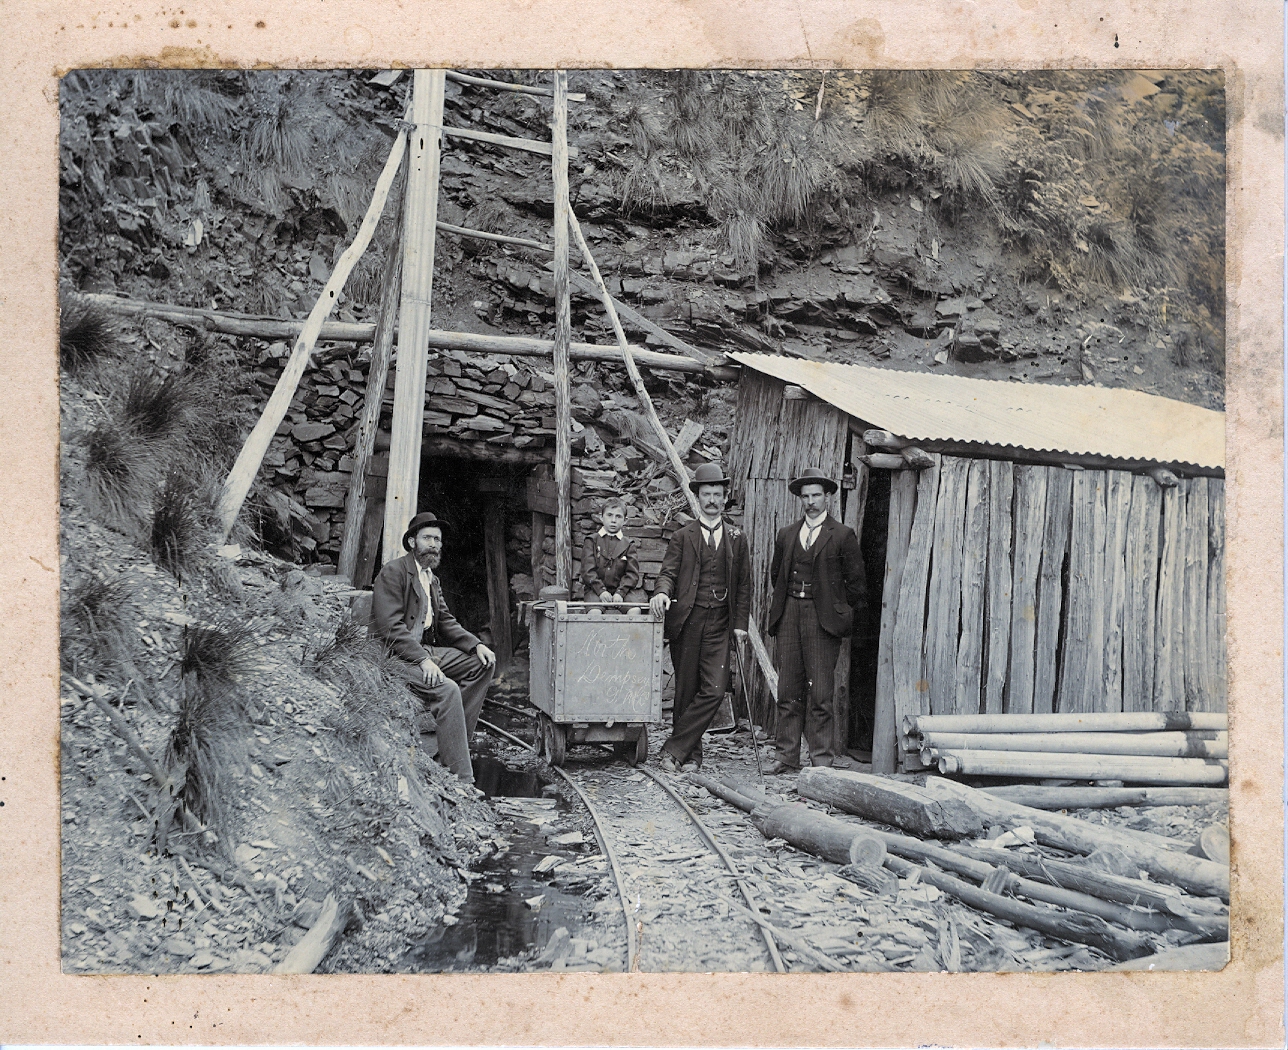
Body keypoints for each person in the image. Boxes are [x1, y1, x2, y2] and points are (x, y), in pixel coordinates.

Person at [370, 511, 496, 783]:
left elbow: (446, 622)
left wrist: (476, 646)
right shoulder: (393, 572)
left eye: (438, 540)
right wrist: (422, 661)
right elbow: (389, 628)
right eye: (427, 538)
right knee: (448, 688)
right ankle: (461, 777)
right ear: (412, 541)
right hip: (394, 656)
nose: (434, 545)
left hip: (423, 652)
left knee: (483, 664)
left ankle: (448, 747)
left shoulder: (431, 579)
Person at [649, 462, 751, 772]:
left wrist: (741, 626)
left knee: (716, 690)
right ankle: (691, 756)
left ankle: (673, 748)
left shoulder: (737, 537)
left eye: (717, 494)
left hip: (720, 624)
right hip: (688, 621)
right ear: (698, 497)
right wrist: (662, 592)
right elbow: (667, 572)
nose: (711, 500)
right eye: (706, 494)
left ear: (725, 497)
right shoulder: (683, 536)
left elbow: (745, 585)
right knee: (686, 690)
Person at [764, 467, 866, 774]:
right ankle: (786, 756)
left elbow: (857, 584)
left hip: (821, 621)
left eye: (816, 496)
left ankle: (821, 760)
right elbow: (775, 575)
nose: (811, 502)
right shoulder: (787, 534)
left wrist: (837, 613)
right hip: (789, 615)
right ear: (800, 499)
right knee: (788, 690)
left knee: (821, 693)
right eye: (805, 496)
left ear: (828, 497)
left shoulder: (843, 536)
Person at [581, 498, 639, 604]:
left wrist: (621, 592)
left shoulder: (629, 544)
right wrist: (601, 591)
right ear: (601, 517)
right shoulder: (592, 541)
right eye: (609, 515)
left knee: (634, 610)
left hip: (622, 592)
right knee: (595, 612)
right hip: (595, 590)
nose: (613, 520)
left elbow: (632, 574)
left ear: (625, 520)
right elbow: (588, 571)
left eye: (618, 516)